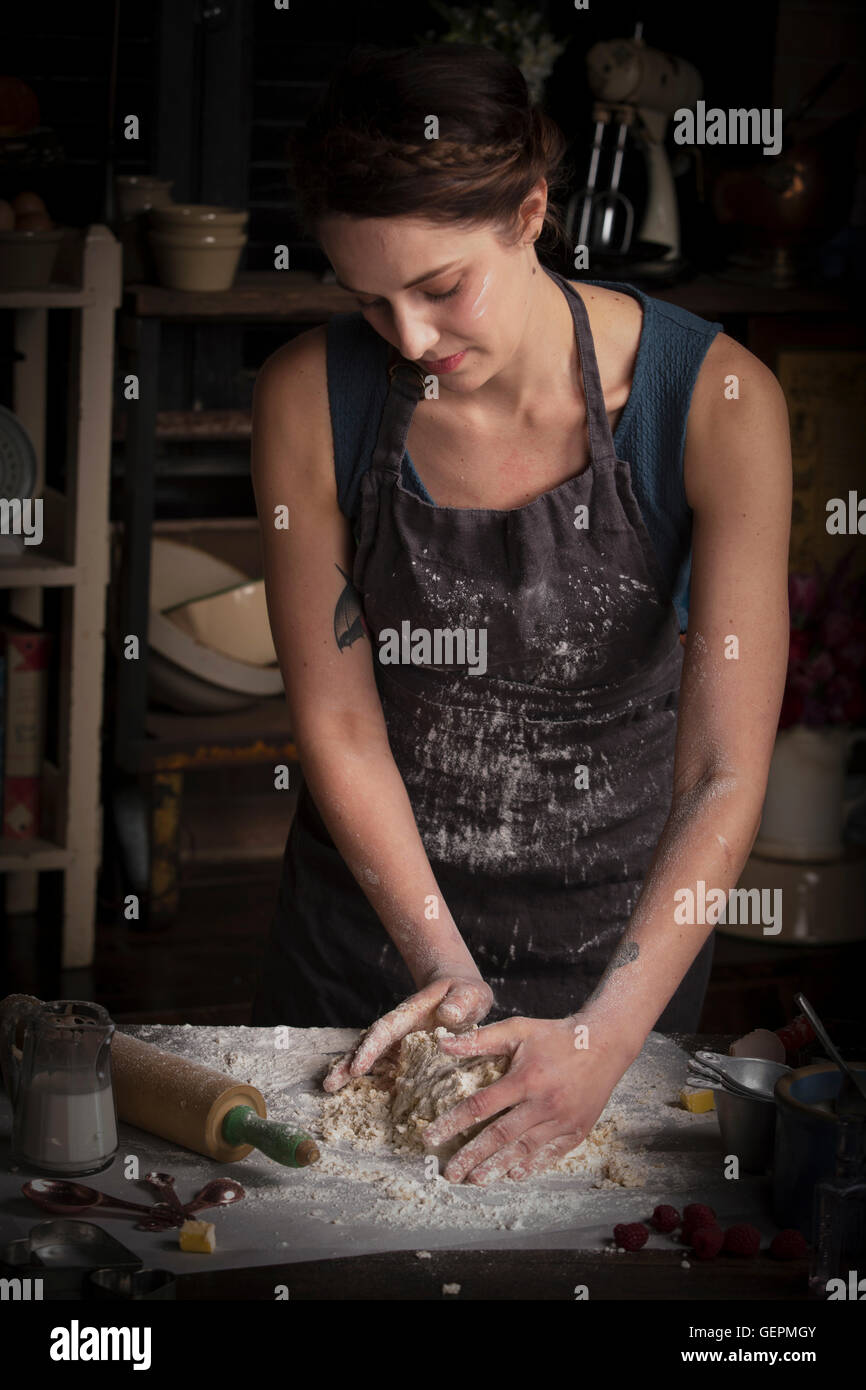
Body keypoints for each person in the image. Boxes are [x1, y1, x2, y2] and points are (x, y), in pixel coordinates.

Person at [249, 44, 792, 1185]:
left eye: (440, 286)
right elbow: (340, 730)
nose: (406, 338)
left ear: (531, 213)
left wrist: (605, 1032)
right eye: (366, 299)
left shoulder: (716, 401)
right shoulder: (308, 396)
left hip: (618, 957)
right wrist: (444, 979)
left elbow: (724, 773)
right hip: (372, 960)